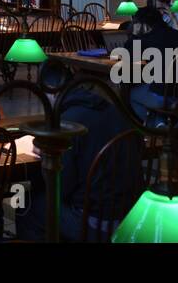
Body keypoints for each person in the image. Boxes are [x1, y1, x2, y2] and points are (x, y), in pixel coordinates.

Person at [16, 60, 132, 241]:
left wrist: (48, 153)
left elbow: (61, 189)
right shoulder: (112, 109)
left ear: (51, 92)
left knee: (25, 205)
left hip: (94, 224)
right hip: (131, 217)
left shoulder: (68, 124)